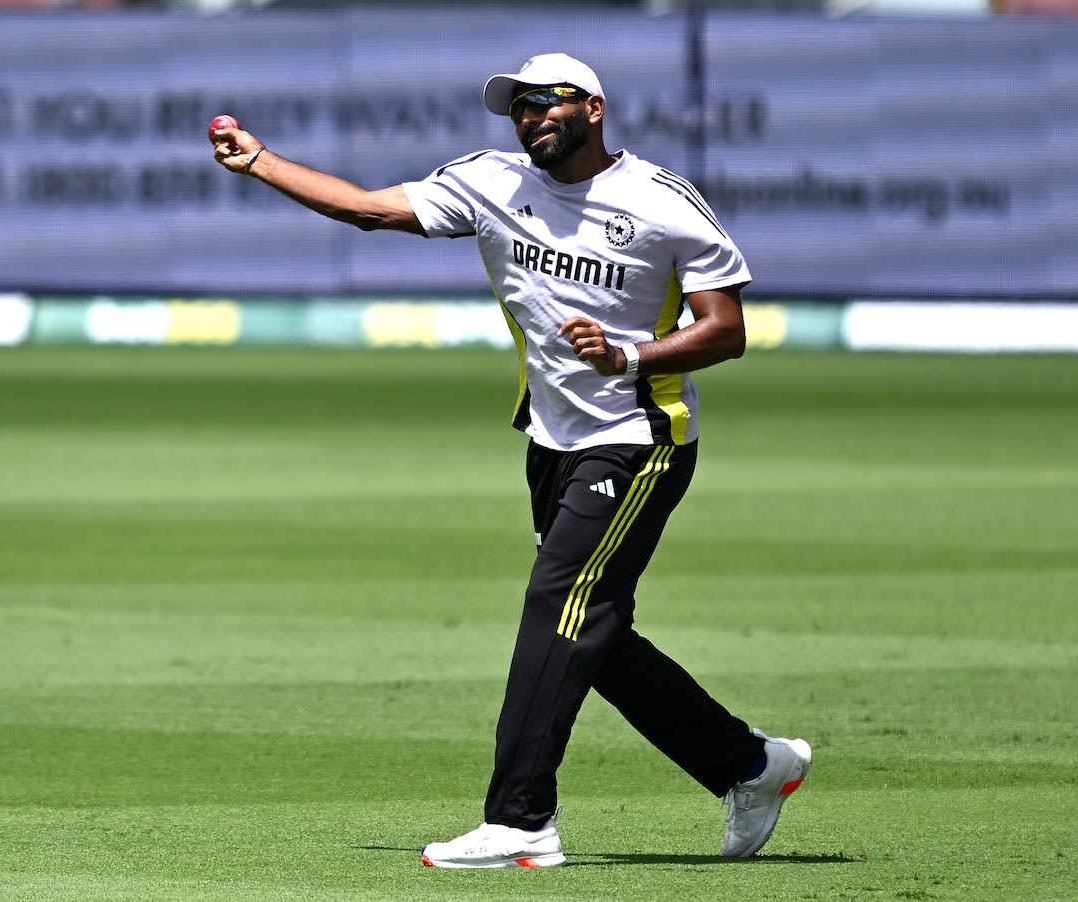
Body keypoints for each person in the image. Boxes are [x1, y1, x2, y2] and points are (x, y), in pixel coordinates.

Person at [211, 52, 810, 869]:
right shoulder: (491, 181)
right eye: (518, 108)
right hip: (551, 440)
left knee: (558, 606)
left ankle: (521, 819)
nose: (530, 119)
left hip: (640, 440)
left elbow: (728, 330)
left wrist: (630, 356)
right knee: (594, 636)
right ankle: (750, 766)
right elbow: (368, 211)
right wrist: (262, 162)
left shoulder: (662, 205)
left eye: (546, 104)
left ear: (593, 108)